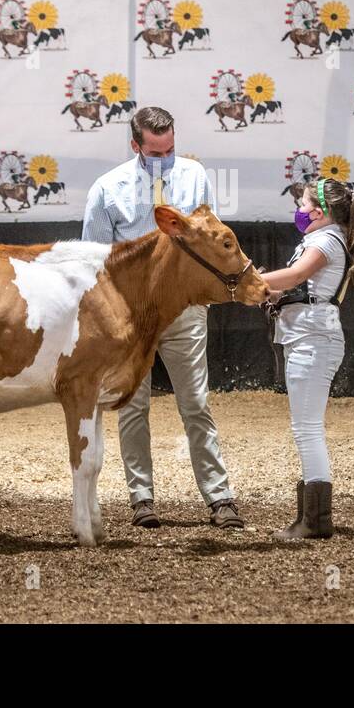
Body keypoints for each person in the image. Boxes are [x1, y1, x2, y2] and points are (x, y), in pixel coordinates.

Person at [81, 106, 245, 530]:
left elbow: (208, 241)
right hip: (131, 317)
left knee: (196, 403)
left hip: (184, 309)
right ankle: (142, 498)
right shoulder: (106, 188)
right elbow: (93, 260)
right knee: (133, 407)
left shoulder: (195, 175)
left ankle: (219, 496)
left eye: (170, 149)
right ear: (135, 145)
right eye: (156, 151)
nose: (165, 159)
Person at [260, 178, 354, 539]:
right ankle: (311, 516)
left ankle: (316, 519)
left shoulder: (326, 240)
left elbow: (296, 275)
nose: (299, 209)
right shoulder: (320, 239)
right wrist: (269, 293)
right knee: (305, 428)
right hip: (307, 335)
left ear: (320, 211)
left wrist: (249, 280)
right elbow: (298, 286)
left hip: (314, 338)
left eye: (304, 203)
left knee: (307, 429)